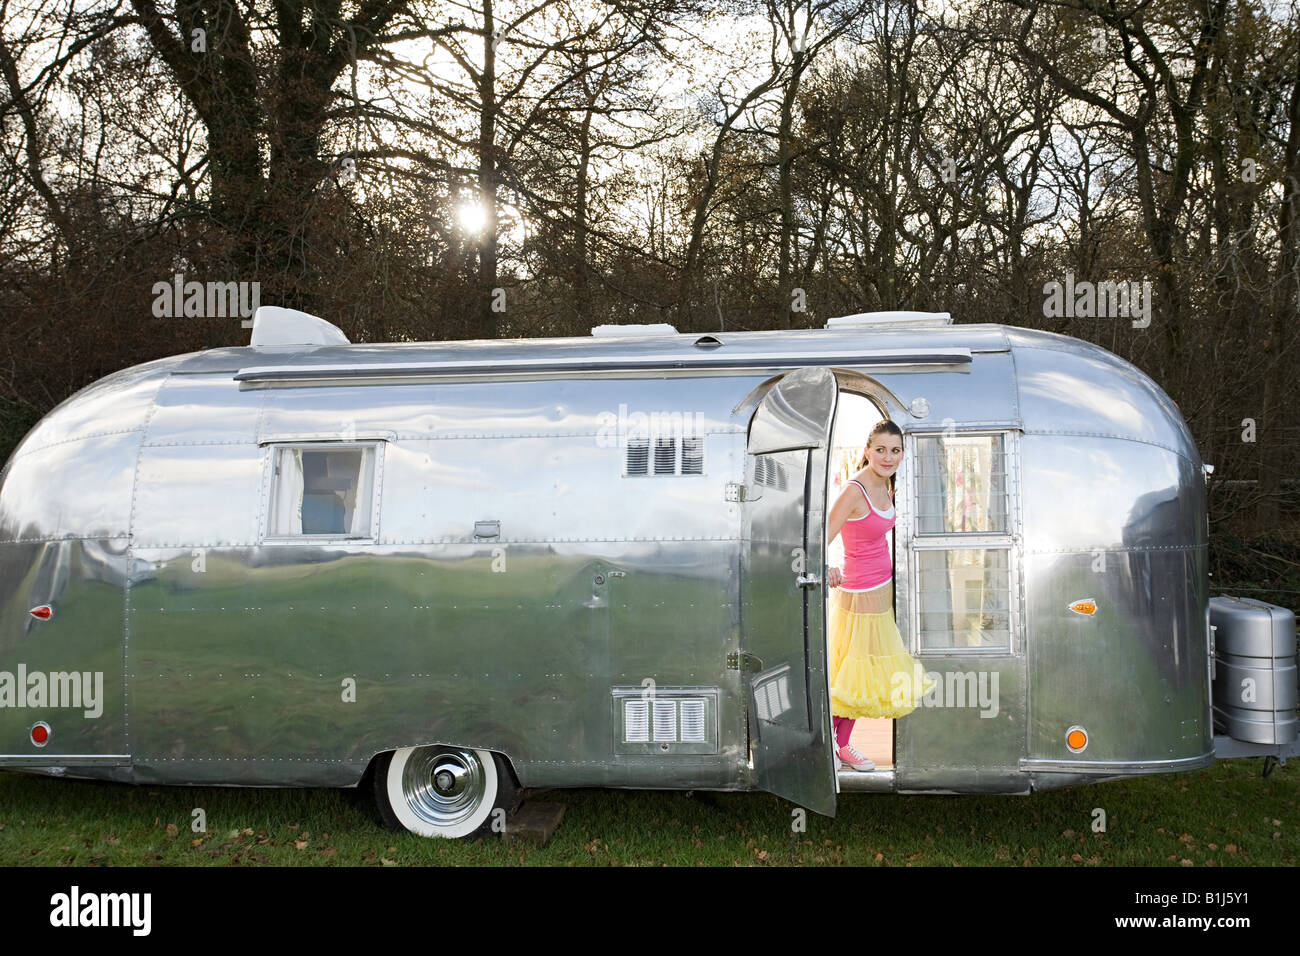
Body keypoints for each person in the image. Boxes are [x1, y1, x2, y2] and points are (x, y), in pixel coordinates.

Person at [825, 419, 933, 771]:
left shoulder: (888, 484)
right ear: (867, 451)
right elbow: (818, 534)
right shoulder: (855, 490)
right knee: (855, 675)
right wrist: (827, 565)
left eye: (895, 450)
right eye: (881, 450)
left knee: (859, 675)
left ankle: (837, 743)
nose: (888, 457)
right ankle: (838, 745)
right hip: (857, 598)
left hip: (880, 591)